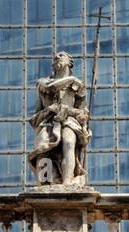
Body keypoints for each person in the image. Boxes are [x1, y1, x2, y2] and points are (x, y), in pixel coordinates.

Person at [28, 52, 91, 187]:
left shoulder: (78, 87)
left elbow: (83, 111)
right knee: (43, 149)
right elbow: (50, 88)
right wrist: (72, 80)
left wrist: (73, 113)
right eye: (55, 57)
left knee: (68, 142)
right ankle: (45, 183)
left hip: (69, 120)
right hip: (47, 120)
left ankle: (67, 181)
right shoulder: (43, 82)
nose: (57, 57)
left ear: (70, 62)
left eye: (61, 55)